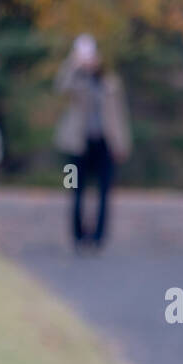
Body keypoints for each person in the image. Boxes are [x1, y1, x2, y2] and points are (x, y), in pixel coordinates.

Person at [54, 34, 131, 253]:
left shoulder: (109, 81)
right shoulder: (76, 80)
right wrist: (73, 64)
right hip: (78, 144)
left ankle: (98, 237)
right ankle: (78, 236)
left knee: (104, 193)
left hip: (104, 144)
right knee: (76, 191)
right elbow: (61, 87)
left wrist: (121, 143)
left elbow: (119, 115)